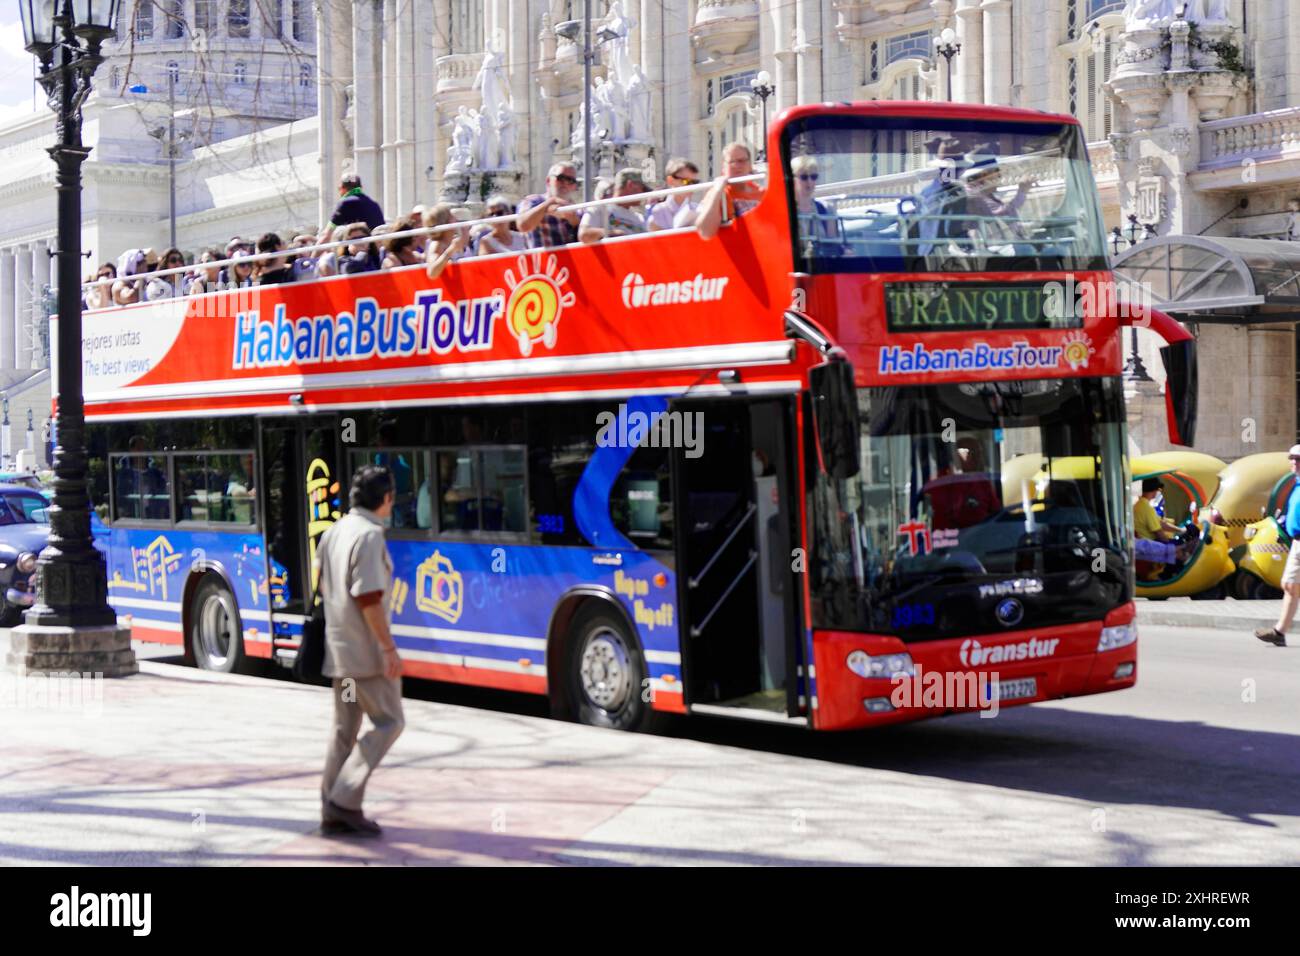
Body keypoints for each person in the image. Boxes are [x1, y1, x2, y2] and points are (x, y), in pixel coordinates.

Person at [315, 465, 405, 837]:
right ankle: (344, 799)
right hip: (365, 657)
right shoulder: (368, 537)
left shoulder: (334, 532)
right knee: (390, 722)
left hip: (339, 653)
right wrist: (389, 649)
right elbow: (368, 597)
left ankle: (331, 809)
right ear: (385, 500)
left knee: (344, 730)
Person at [1255, 446, 1300, 646]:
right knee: (1289, 585)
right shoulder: (1296, 485)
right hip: (1296, 542)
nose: (1294, 462)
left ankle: (1279, 631)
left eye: (1298, 459)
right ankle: (1279, 633)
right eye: (1292, 458)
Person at [695, 141, 763, 240]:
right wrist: (717, 191)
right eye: (732, 162)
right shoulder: (718, 193)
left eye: (742, 161)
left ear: (750, 165)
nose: (737, 166)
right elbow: (705, 232)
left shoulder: (762, 192)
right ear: (724, 167)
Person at [516, 162, 581, 249]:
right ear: (548, 181)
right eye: (560, 178)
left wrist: (574, 220)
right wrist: (548, 204)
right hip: (543, 260)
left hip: (571, 260)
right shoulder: (533, 201)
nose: (565, 183)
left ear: (574, 186)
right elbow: (522, 225)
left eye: (570, 180)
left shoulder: (578, 209)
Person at [579, 168, 649, 242]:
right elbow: (584, 234)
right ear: (630, 185)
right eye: (643, 189)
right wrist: (613, 233)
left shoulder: (639, 218)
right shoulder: (600, 208)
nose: (644, 194)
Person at [1133, 476, 1180, 579]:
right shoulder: (1146, 508)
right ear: (1154, 490)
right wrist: (1170, 543)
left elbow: (1160, 523)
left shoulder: (1140, 504)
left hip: (1143, 541)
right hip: (1148, 544)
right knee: (1179, 550)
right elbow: (1158, 531)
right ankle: (1167, 576)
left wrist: (1180, 530)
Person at [647, 158, 700, 230]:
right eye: (686, 181)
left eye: (695, 182)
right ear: (671, 180)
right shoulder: (659, 211)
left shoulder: (697, 209)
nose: (691, 186)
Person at [423, 203, 468, 280]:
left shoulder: (453, 241)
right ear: (447, 222)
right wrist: (450, 250)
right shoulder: (436, 244)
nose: (455, 219)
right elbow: (432, 273)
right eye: (452, 216)